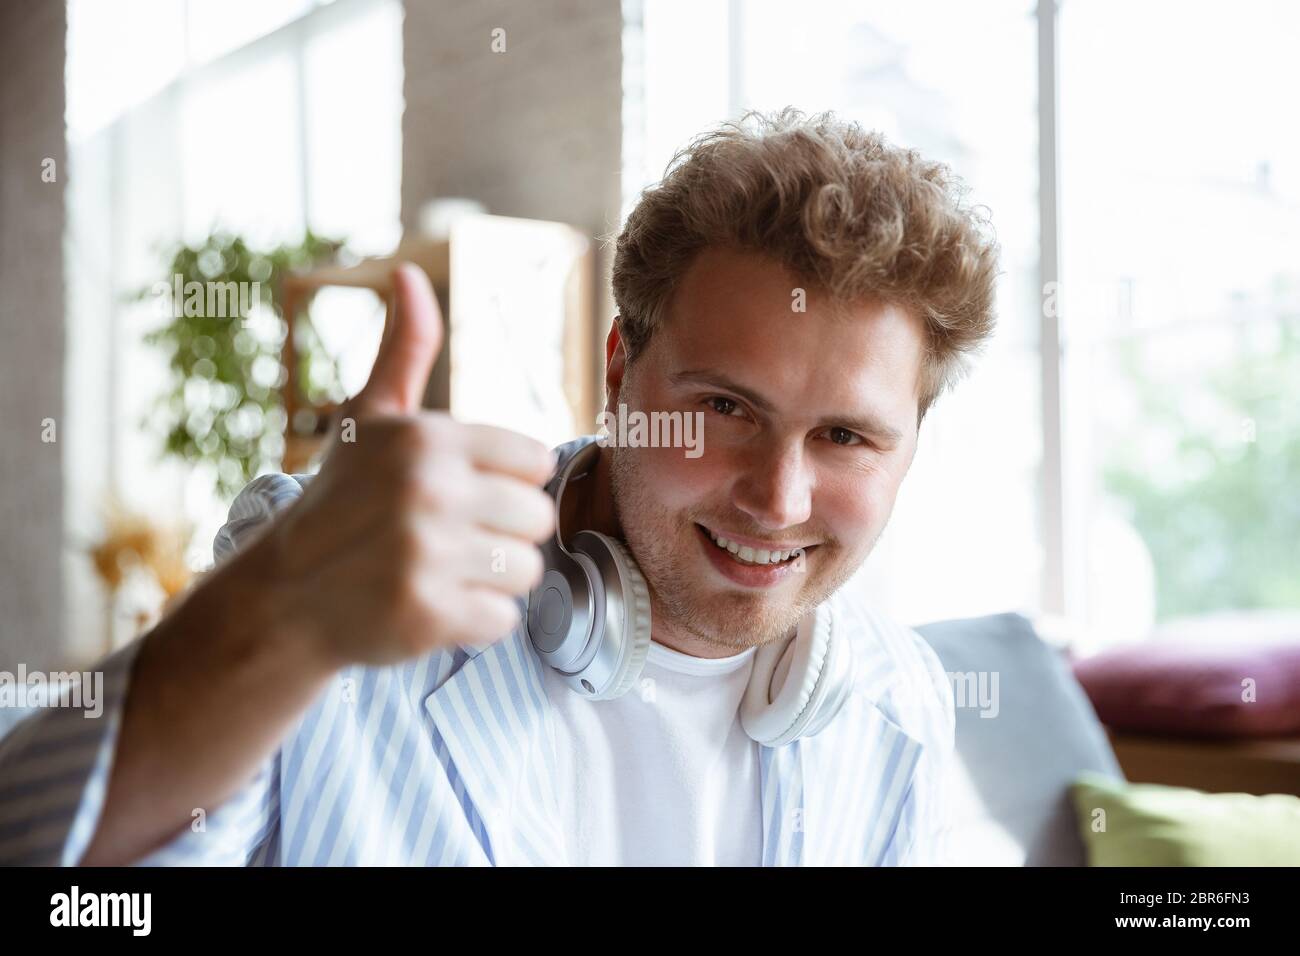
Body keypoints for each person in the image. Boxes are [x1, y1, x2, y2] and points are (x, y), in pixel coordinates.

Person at [0, 108, 998, 866]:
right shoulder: (339, 580)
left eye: (845, 436)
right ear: (619, 372)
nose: (777, 498)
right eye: (724, 409)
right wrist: (281, 615)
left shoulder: (894, 697)